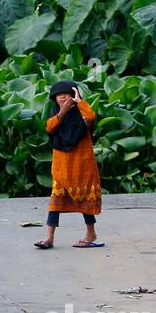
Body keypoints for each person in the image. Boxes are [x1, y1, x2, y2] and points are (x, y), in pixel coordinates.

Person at [36, 80, 103, 249]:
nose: (62, 97)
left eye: (66, 94)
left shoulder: (81, 114)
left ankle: (91, 233)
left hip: (82, 165)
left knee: (85, 200)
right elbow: (49, 127)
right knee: (55, 201)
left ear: (74, 96)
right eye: (59, 95)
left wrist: (80, 102)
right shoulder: (55, 115)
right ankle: (49, 238)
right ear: (54, 98)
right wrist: (63, 112)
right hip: (62, 167)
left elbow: (90, 117)